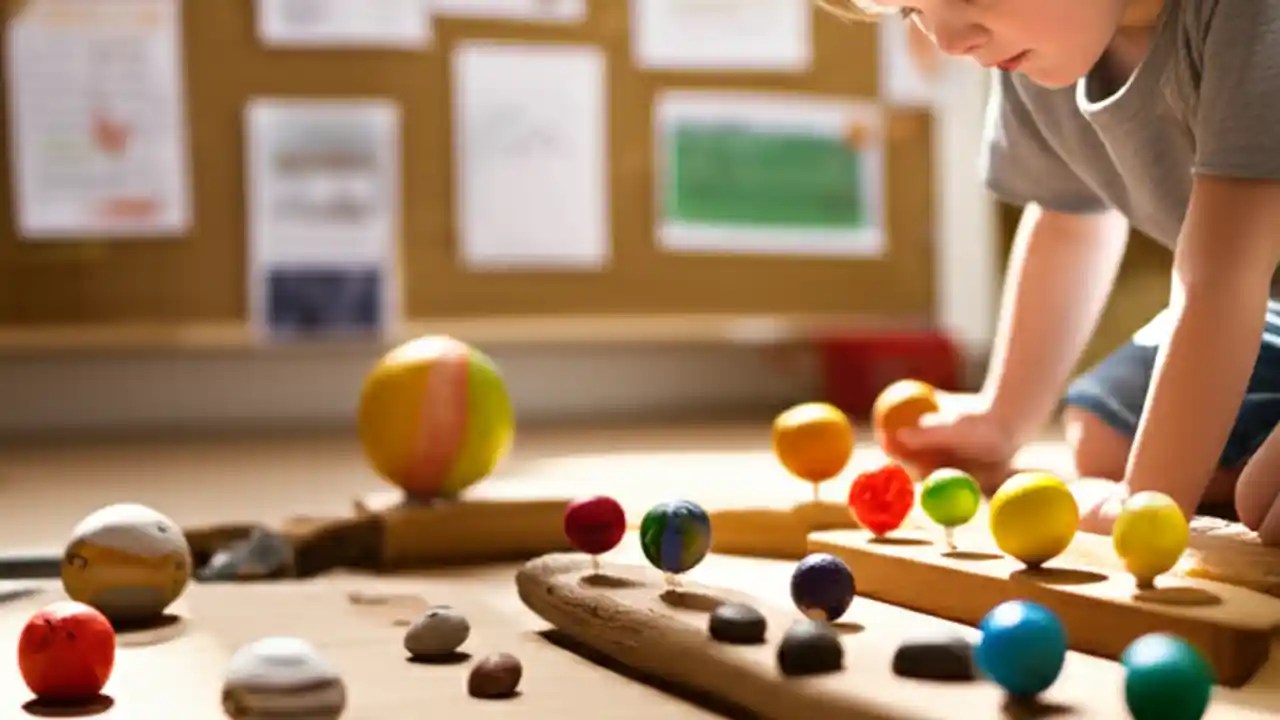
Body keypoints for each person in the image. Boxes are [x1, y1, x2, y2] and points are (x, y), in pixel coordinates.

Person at [819, 0, 1280, 544]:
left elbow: (1221, 277)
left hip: (1235, 284)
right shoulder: (1045, 41)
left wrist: (1146, 503)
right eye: (910, 9)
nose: (947, 42)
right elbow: (1069, 222)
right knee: (1102, 432)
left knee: (1260, 499)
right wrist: (1003, 418)